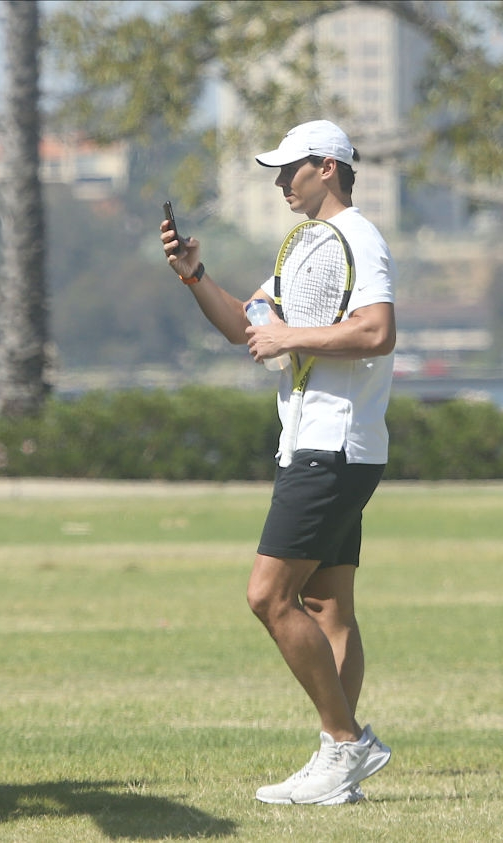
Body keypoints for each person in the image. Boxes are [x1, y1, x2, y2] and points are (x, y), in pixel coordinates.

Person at [160, 120, 396, 806]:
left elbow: (378, 331)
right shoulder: (305, 249)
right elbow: (245, 325)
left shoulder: (359, 238)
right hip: (322, 446)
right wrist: (194, 275)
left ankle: (347, 742)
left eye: (288, 168)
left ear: (326, 167)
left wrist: (292, 335)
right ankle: (337, 766)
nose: (278, 181)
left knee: (267, 594)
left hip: (333, 446)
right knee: (328, 605)